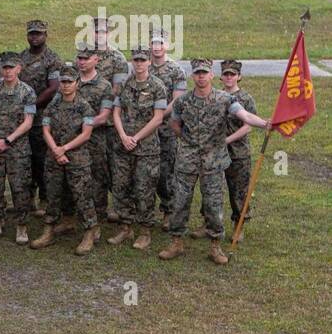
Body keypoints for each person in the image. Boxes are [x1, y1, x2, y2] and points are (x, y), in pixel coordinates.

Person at [159, 59, 269, 265]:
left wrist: (265, 123)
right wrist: (187, 140)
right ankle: (176, 242)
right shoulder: (183, 101)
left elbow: (244, 115)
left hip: (213, 162)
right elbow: (174, 122)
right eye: (197, 73)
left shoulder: (225, 99)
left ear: (211, 75)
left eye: (204, 73)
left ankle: (215, 246)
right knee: (180, 202)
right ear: (193, 76)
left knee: (213, 204)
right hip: (187, 161)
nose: (201, 76)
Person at [32, 65, 100, 255]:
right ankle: (49, 230)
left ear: (77, 83)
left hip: (77, 159)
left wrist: (64, 149)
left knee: (82, 196)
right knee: (53, 195)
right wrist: (55, 149)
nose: (66, 85)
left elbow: (86, 134)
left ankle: (89, 231)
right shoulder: (53, 105)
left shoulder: (84, 106)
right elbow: (46, 129)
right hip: (54, 157)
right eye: (63, 82)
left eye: (70, 82)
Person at [109, 47, 168, 250]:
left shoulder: (157, 86)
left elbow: (158, 118)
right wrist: (123, 136)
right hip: (123, 146)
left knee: (144, 189)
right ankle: (126, 227)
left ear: (149, 62)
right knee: (121, 186)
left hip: (146, 148)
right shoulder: (125, 83)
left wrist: (135, 137)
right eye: (136, 60)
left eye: (143, 60)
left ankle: (144, 231)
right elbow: (116, 111)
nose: (139, 63)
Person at [0, 53, 35, 244]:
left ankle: (21, 226)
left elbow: (28, 122)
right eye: (5, 67)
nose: (8, 71)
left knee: (19, 188)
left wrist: (8, 140)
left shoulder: (27, 92)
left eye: (12, 67)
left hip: (17, 149)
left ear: (19, 68)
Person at [18, 20, 62, 214]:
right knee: (23, 160)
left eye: (38, 34)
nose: (35, 37)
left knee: (41, 158)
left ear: (46, 35)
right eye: (31, 34)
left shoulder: (52, 59)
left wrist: (31, 105)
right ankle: (28, 197)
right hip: (21, 118)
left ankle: (45, 197)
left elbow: (53, 88)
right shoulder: (21, 57)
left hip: (41, 118)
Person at [148, 29, 187, 228]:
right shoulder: (142, 66)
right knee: (146, 171)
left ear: (167, 45)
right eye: (153, 43)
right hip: (146, 130)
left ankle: (168, 209)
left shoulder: (175, 70)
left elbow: (177, 99)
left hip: (166, 129)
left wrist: (157, 116)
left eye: (160, 43)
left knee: (166, 171)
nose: (157, 47)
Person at [74, 46, 115, 233]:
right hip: (73, 141)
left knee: (98, 177)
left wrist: (81, 125)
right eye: (80, 58)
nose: (82, 61)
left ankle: (98, 215)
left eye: (86, 58)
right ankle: (77, 213)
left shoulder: (104, 86)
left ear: (96, 60)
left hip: (96, 141)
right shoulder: (70, 81)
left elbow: (104, 116)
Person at [218, 59, 258, 239]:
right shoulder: (215, 96)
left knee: (238, 191)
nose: (228, 77)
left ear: (239, 77)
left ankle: (238, 225)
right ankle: (209, 222)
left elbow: (248, 125)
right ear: (220, 76)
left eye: (232, 74)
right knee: (212, 188)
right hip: (216, 152)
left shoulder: (246, 99)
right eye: (225, 74)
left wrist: (227, 140)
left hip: (238, 152)